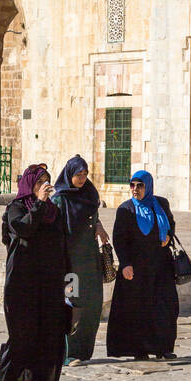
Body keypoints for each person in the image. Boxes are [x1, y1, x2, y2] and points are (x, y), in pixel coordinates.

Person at [0, 163, 69, 381]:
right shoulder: (15, 208)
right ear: (30, 185)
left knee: (51, 337)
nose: (44, 186)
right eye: (39, 182)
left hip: (51, 282)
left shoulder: (54, 212)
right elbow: (23, 229)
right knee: (23, 335)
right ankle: (9, 375)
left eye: (46, 181)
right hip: (22, 283)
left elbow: (63, 246)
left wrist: (71, 286)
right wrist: (38, 203)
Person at [106, 170, 179, 361]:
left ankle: (163, 347)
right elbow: (119, 239)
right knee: (137, 308)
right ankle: (139, 349)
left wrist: (169, 236)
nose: (135, 189)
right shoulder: (126, 209)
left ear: (148, 186)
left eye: (140, 185)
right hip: (136, 268)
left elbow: (170, 224)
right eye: (132, 185)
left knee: (164, 307)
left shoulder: (161, 204)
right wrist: (125, 264)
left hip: (161, 266)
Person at [52, 155, 110, 365]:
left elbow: (91, 216)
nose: (82, 178)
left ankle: (84, 351)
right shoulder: (60, 200)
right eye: (78, 175)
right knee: (72, 305)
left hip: (89, 260)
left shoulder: (89, 194)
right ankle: (68, 353)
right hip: (69, 264)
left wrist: (99, 225)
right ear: (69, 175)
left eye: (85, 174)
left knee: (92, 304)